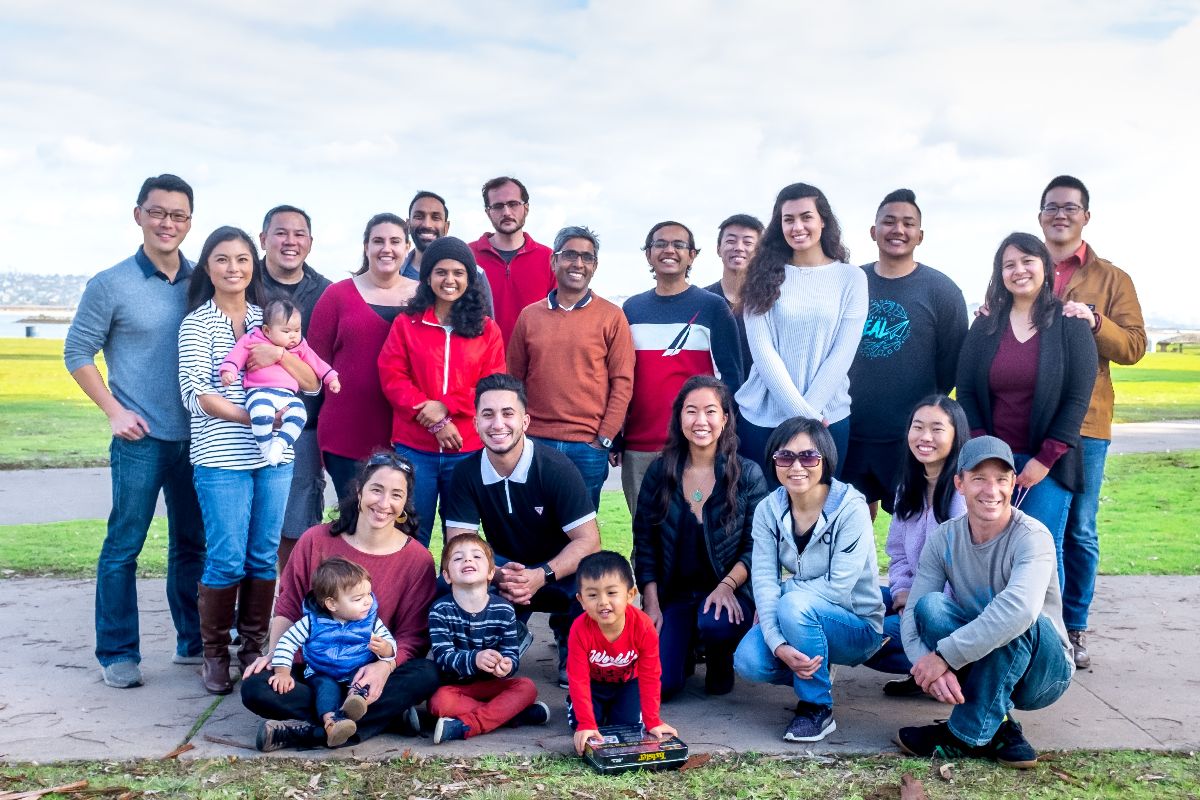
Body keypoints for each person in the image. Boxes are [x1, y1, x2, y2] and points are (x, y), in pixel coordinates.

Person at [64, 173, 207, 687]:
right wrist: (113, 411)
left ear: (190, 223)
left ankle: (192, 642)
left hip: (199, 438)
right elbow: (77, 352)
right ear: (138, 214)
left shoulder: (202, 282)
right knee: (124, 545)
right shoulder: (110, 284)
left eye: (178, 215)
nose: (168, 223)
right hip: (139, 439)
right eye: (158, 212)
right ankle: (118, 653)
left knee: (193, 545)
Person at [178, 226, 318, 695]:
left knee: (263, 554)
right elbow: (197, 395)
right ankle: (214, 655)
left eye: (241, 259)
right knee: (225, 558)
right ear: (207, 267)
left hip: (274, 458)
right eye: (222, 260)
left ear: (253, 264)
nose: (233, 268)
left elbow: (311, 381)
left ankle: (254, 648)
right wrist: (260, 419)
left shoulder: (272, 317)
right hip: (221, 457)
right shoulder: (197, 323)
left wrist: (279, 351)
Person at [895, 436, 1074, 769]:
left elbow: (1018, 612)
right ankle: (1001, 726)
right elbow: (914, 612)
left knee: (1015, 618)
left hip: (1044, 673)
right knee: (930, 608)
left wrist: (945, 656)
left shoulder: (1033, 536)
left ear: (1012, 484)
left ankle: (962, 735)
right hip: (984, 660)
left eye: (1001, 479)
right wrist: (927, 665)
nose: (991, 490)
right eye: (979, 478)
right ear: (960, 483)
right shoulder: (944, 538)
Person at [241, 452, 440, 751]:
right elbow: (288, 606)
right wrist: (275, 655)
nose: (384, 504)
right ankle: (385, 717)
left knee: (427, 674)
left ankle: (308, 733)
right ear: (359, 492)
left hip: (369, 676)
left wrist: (384, 668)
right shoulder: (315, 541)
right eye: (376, 490)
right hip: (315, 667)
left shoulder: (418, 560)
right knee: (256, 687)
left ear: (404, 505)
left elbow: (413, 637)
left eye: (396, 495)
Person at [1038, 175, 1147, 670]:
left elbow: (1134, 346)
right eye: (1051, 207)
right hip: (1031, 420)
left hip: (1087, 422)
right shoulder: (1023, 268)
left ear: (1086, 216)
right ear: (1040, 215)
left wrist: (1095, 321)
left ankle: (1075, 628)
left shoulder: (1112, 279)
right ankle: (1044, 627)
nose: (1060, 214)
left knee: (1078, 528)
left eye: (1070, 207)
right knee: (1039, 529)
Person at [955, 232, 1098, 594]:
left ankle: (1053, 642)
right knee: (995, 551)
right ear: (999, 274)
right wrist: (986, 454)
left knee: (1042, 551)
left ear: (1045, 267)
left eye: (1027, 261)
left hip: (1047, 461)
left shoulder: (1070, 323)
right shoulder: (986, 325)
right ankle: (1000, 640)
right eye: (1009, 264)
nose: (1019, 270)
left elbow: (1077, 399)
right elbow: (968, 391)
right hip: (994, 460)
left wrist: (1044, 459)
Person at [443, 373, 602, 688]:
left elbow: (589, 541)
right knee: (451, 577)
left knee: (596, 573)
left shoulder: (556, 468)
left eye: (507, 413)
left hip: (556, 570)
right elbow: (457, 546)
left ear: (526, 421)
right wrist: (498, 573)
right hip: (506, 570)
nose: (497, 423)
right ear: (475, 423)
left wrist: (541, 574)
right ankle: (498, 640)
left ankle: (571, 638)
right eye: (487, 414)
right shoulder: (465, 473)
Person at [733, 416, 884, 743]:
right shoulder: (768, 510)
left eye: (808, 457)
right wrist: (779, 644)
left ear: (825, 460)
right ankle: (817, 663)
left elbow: (838, 586)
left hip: (856, 623)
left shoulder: (851, 508)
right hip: (801, 616)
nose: (796, 466)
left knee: (793, 603)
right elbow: (763, 579)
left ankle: (816, 707)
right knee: (748, 660)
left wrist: (784, 594)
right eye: (785, 457)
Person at [632, 376, 767, 697]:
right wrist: (651, 604)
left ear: (724, 418)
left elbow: (756, 546)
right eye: (691, 411)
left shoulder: (747, 474)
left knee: (715, 624)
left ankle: (721, 656)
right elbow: (645, 545)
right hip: (675, 595)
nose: (700, 421)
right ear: (679, 418)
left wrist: (727, 585)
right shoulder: (659, 471)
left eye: (710, 411)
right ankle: (684, 648)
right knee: (661, 687)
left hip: (729, 591)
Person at [844, 189, 967, 516]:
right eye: (889, 221)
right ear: (873, 231)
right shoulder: (850, 282)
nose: (898, 230)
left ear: (920, 235)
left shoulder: (942, 291)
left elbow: (951, 365)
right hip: (851, 429)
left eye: (908, 223)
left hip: (911, 436)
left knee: (915, 522)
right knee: (851, 524)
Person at [378, 236, 505, 548]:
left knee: (461, 536)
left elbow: (492, 385)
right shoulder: (407, 324)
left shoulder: (486, 329)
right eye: (441, 272)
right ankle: (413, 597)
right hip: (414, 448)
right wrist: (432, 419)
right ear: (428, 277)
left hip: (466, 449)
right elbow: (392, 376)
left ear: (469, 278)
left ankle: (453, 596)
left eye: (458, 273)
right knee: (410, 533)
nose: (450, 280)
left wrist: (446, 407)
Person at [736, 183, 866, 478]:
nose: (797, 227)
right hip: (763, 420)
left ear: (823, 220)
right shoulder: (759, 276)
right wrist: (805, 416)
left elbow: (842, 353)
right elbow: (763, 353)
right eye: (788, 219)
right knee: (763, 515)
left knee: (819, 513)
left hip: (828, 420)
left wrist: (810, 419)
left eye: (806, 217)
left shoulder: (851, 279)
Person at [507, 225, 635, 511]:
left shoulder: (612, 317)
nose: (578, 264)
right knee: (533, 528)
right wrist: (519, 434)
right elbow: (513, 381)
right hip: (535, 442)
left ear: (595, 266)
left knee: (581, 533)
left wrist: (605, 437)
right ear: (554, 261)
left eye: (587, 258)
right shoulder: (530, 316)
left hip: (587, 446)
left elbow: (623, 382)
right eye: (570, 255)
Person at [619, 221, 743, 513]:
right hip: (640, 444)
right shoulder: (631, 309)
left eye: (678, 244)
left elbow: (732, 379)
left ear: (693, 255)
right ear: (648, 254)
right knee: (645, 537)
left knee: (696, 533)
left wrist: (723, 435)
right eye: (660, 244)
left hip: (697, 444)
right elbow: (622, 377)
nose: (669, 250)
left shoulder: (712, 307)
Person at [309, 213, 419, 501]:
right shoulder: (337, 296)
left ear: (407, 247)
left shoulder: (423, 297)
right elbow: (314, 364)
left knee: (396, 521)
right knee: (351, 521)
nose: (387, 248)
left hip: (408, 435)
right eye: (378, 241)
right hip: (346, 432)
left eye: (395, 241)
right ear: (365, 247)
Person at [866, 395, 968, 693]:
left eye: (937, 429)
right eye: (918, 427)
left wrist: (914, 604)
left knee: (868, 638)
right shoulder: (908, 488)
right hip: (912, 595)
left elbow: (962, 573)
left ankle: (953, 672)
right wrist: (900, 593)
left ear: (956, 435)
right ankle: (924, 676)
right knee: (855, 607)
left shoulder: (962, 494)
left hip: (947, 610)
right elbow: (897, 554)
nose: (925, 437)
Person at [258, 204, 332, 571]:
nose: (290, 241)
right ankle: (244, 618)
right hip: (242, 423)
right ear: (263, 239)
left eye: (299, 234)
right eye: (281, 233)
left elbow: (324, 367)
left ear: (310, 242)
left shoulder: (326, 293)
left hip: (303, 428)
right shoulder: (244, 282)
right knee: (246, 526)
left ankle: (289, 607)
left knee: (298, 528)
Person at [427, 533, 549, 744]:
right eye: (458, 558)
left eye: (476, 556)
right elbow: (443, 658)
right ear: (446, 575)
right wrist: (475, 659)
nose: (467, 560)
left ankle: (466, 726)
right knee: (438, 702)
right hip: (456, 688)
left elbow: (511, 653)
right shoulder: (440, 610)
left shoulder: (504, 609)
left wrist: (507, 665)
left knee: (527, 687)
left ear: (492, 572)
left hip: (493, 686)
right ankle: (513, 716)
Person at [266, 556, 397, 747]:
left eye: (369, 594)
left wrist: (385, 650)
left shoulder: (370, 621)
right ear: (332, 604)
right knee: (325, 689)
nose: (368, 602)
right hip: (322, 672)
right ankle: (331, 724)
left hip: (357, 670)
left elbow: (390, 644)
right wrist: (282, 673)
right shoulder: (312, 623)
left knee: (365, 682)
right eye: (358, 599)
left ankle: (354, 704)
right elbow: (287, 641)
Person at [567, 551, 678, 756]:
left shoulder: (644, 627)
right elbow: (578, 678)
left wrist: (653, 720)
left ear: (630, 594)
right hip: (593, 684)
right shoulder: (579, 629)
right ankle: (575, 704)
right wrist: (586, 722)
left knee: (627, 727)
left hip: (628, 683)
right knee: (587, 729)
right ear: (581, 600)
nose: (602, 602)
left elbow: (650, 675)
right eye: (592, 595)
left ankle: (615, 708)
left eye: (611, 593)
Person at [220, 298, 340, 465]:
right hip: (260, 392)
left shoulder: (300, 346)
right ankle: (265, 448)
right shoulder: (253, 339)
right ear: (267, 331)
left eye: (297, 330)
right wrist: (229, 371)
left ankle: (278, 446)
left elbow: (317, 363)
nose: (293, 336)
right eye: (286, 331)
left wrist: (331, 378)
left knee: (299, 416)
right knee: (261, 415)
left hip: (287, 396)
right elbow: (236, 355)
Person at [468, 176, 555, 344]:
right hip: (480, 363)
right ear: (488, 212)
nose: (506, 212)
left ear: (526, 208)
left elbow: (560, 318)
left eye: (513, 204)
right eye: (498, 206)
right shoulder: (467, 257)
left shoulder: (549, 259)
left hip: (532, 365)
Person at [399, 190, 495, 313]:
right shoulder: (394, 271)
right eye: (419, 216)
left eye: (435, 217)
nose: (427, 224)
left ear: (446, 227)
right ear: (407, 224)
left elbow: (486, 325)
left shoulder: (475, 274)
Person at [704, 213, 763, 382]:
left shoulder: (770, 301)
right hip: (715, 403)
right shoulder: (702, 301)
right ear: (718, 248)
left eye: (748, 242)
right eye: (731, 241)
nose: (738, 247)